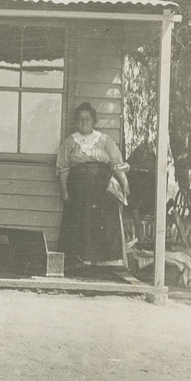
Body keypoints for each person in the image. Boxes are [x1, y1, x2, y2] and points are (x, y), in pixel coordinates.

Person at [56, 102, 131, 268]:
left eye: (87, 119)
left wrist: (125, 184)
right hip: (78, 191)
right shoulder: (69, 142)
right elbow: (62, 169)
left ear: (94, 121)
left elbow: (116, 164)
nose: (83, 122)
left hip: (101, 192)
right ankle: (80, 263)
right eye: (80, 119)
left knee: (101, 223)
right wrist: (64, 192)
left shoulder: (104, 140)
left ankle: (104, 264)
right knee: (79, 224)